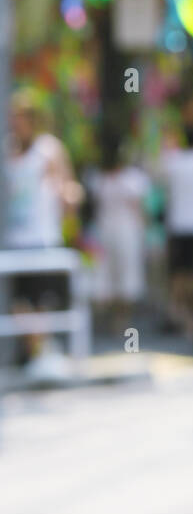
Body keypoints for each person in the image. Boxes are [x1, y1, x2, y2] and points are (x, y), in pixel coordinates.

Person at [6, 91, 83, 372]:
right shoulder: (9, 149)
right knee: (20, 303)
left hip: (42, 237)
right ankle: (37, 355)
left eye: (21, 118)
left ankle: (40, 356)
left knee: (40, 302)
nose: (16, 123)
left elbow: (68, 188)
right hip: (15, 238)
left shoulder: (48, 149)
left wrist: (70, 205)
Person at [87, 138, 150, 336]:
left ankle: (123, 320)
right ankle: (112, 317)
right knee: (106, 274)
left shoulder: (132, 178)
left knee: (126, 273)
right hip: (107, 232)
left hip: (126, 232)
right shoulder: (100, 178)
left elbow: (138, 208)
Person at [159, 125, 193, 340]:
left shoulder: (173, 162)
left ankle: (178, 315)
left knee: (178, 275)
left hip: (177, 226)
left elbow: (159, 182)